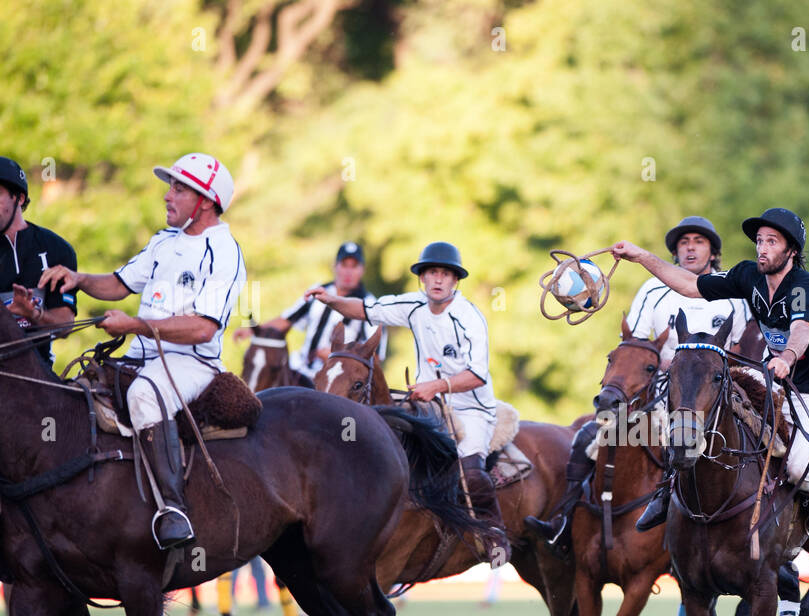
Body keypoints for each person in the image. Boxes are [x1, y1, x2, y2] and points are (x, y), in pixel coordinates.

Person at [612, 207, 809, 562]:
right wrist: (641, 256)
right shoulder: (747, 276)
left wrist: (786, 357)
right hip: (771, 376)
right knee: (711, 411)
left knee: (800, 465)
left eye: (772, 241)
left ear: (791, 251)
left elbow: (801, 329)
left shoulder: (803, 288)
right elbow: (690, 285)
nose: (762, 248)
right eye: (760, 241)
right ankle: (670, 488)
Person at [40, 153, 246, 549]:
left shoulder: (224, 251)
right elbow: (118, 284)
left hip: (192, 362)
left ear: (204, 200)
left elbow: (204, 328)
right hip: (140, 355)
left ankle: (173, 509)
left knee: (143, 396)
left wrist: (134, 325)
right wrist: (79, 278)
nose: (168, 196)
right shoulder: (163, 242)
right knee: (76, 392)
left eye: (178, 188)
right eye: (170, 187)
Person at [525, 215, 751, 552]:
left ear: (713, 251)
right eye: (683, 242)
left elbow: (740, 347)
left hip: (714, 397)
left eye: (698, 242)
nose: (689, 247)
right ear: (675, 251)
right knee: (590, 437)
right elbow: (631, 343)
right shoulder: (654, 289)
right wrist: (670, 366)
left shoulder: (731, 289)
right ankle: (564, 523)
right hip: (660, 393)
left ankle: (782, 527)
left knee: (768, 439)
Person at [308, 241, 509, 567]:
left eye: (445, 274)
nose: (438, 280)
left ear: (455, 281)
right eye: (432, 273)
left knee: (469, 470)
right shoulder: (414, 305)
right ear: (422, 279)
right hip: (425, 402)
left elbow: (478, 376)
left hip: (470, 409)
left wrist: (438, 385)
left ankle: (494, 533)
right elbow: (363, 309)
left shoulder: (469, 318)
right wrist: (331, 300)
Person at [234, 241, 382, 376]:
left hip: (338, 381)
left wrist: (339, 355)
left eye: (354, 266)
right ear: (335, 266)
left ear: (362, 269)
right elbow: (287, 320)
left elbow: (375, 356)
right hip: (301, 369)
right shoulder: (319, 292)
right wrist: (253, 330)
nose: (348, 272)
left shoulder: (368, 305)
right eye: (344, 265)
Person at [1, 156, 79, 367]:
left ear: (19, 198)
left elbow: (64, 326)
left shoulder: (57, 250)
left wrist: (33, 313)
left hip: (38, 374)